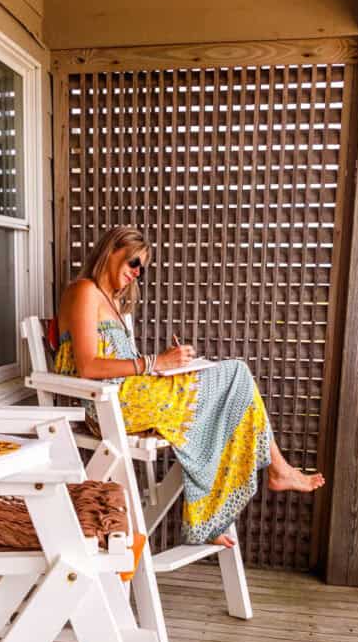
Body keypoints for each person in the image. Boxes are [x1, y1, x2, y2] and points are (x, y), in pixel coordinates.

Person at [54, 225, 324, 548]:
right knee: (236, 376)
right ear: (111, 251)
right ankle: (268, 477)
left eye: (142, 268)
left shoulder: (112, 301)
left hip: (131, 395)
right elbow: (88, 366)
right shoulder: (83, 290)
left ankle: (231, 503)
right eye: (132, 263)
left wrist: (168, 366)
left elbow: (121, 361)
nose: (137, 274)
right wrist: (156, 363)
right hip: (109, 406)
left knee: (231, 386)